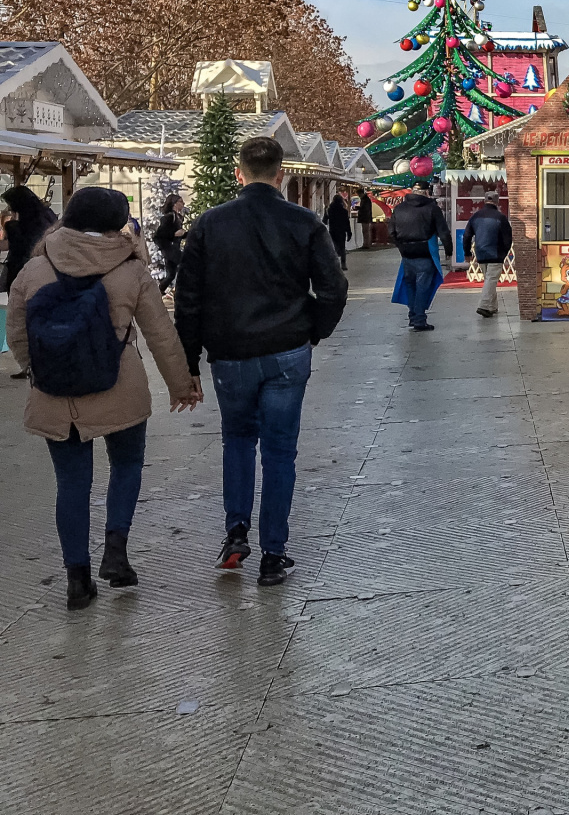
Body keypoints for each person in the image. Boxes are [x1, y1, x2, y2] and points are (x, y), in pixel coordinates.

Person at [9, 188, 199, 610]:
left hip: (56, 396)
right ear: (117, 224)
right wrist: (181, 385)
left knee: (71, 483)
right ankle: (116, 553)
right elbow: (161, 335)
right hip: (120, 387)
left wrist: (43, 369)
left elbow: (17, 336)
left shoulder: (35, 268)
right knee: (127, 465)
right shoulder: (131, 270)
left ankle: (77, 579)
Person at [174, 136, 348, 586]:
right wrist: (313, 330)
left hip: (230, 352)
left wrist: (189, 363)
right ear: (281, 174)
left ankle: (236, 531)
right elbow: (333, 287)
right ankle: (274, 551)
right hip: (287, 348)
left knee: (236, 440)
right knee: (279, 451)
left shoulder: (209, 225)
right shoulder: (304, 221)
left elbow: (188, 300)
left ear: (239, 173)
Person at [3, 186, 57, 376]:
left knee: (23, 318)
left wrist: (9, 225)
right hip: (43, 272)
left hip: (23, 273)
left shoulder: (24, 223)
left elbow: (20, 246)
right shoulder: (46, 216)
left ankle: (30, 363)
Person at [389, 180, 450, 331]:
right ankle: (419, 320)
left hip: (406, 254)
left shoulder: (399, 208)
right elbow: (443, 232)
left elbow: (391, 232)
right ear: (427, 192)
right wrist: (449, 251)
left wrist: (401, 246)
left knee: (410, 286)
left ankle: (413, 316)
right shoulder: (432, 208)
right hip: (425, 253)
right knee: (423, 287)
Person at [463, 193, 513, 318]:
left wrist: (467, 252)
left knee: (489, 280)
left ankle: (493, 306)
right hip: (496, 253)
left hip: (481, 253)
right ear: (497, 202)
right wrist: (504, 252)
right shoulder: (501, 217)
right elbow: (508, 239)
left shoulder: (475, 217)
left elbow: (467, 236)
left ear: (484, 200)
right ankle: (484, 305)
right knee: (491, 280)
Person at [152, 192, 186, 294]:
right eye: (181, 201)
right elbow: (159, 235)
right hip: (169, 249)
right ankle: (182, 291)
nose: (183, 203)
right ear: (174, 203)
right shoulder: (169, 217)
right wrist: (174, 234)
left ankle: (158, 292)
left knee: (170, 275)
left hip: (173, 248)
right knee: (186, 264)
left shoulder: (179, 217)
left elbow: (179, 234)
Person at [323, 191, 352, 270]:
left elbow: (324, 221)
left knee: (333, 248)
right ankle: (343, 264)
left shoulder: (329, 210)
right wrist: (349, 232)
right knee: (342, 248)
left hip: (332, 231)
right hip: (341, 231)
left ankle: (333, 264)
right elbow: (347, 223)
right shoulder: (344, 211)